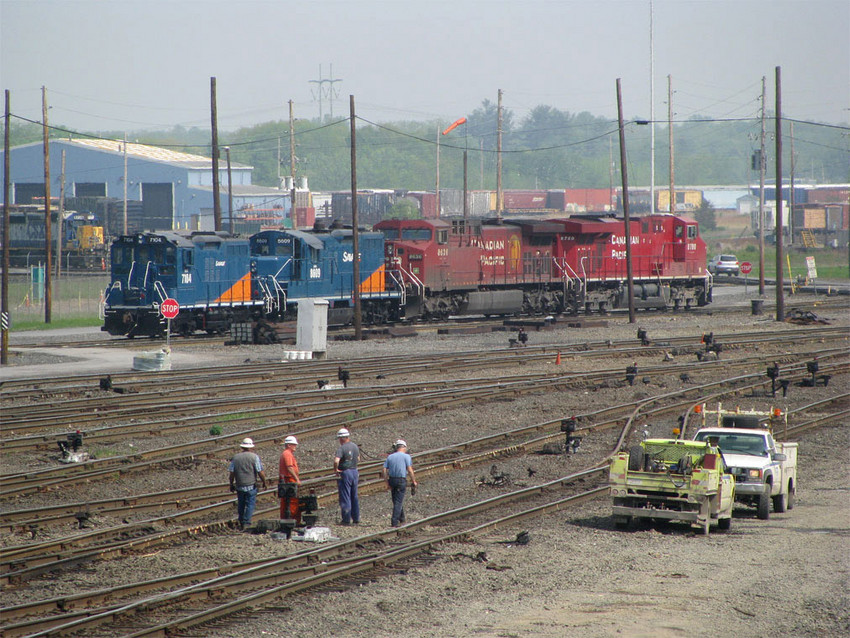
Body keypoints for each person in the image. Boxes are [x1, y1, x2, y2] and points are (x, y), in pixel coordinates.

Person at [228, 437, 267, 530]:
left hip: (239, 485)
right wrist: (264, 482)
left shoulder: (235, 458)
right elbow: (260, 471)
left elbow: (231, 472)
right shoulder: (254, 457)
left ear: (242, 447)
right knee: (250, 504)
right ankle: (246, 523)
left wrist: (231, 484)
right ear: (251, 447)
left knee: (241, 504)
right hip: (251, 485)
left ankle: (241, 521)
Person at [382, 439, 418, 527]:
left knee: (395, 500)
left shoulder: (390, 457)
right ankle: (394, 521)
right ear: (404, 447)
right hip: (401, 480)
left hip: (392, 479)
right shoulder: (406, 457)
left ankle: (402, 518)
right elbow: (409, 470)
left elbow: (384, 469)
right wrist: (413, 480)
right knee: (398, 501)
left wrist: (386, 481)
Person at [333, 428, 360, 525]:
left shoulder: (341, 448)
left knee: (346, 496)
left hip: (345, 473)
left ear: (342, 438)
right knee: (354, 496)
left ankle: (346, 519)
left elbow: (336, 461)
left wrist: (336, 469)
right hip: (354, 471)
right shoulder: (355, 446)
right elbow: (358, 458)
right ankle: (356, 518)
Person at [278, 435, 302, 525]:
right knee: (292, 501)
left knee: (288, 501)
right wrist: (297, 479)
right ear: (288, 445)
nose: (295, 446)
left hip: (287, 479)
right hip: (289, 480)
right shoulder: (287, 454)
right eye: (294, 444)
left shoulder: (287, 454)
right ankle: (291, 519)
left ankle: (289, 519)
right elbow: (289, 468)